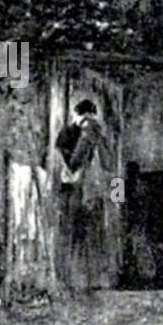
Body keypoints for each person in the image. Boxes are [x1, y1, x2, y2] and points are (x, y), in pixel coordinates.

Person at [54, 99, 113, 292]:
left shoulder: (88, 131)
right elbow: (108, 163)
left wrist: (70, 166)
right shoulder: (91, 132)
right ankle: (86, 279)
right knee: (88, 231)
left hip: (81, 187)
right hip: (90, 188)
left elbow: (75, 159)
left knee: (77, 230)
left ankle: (75, 280)